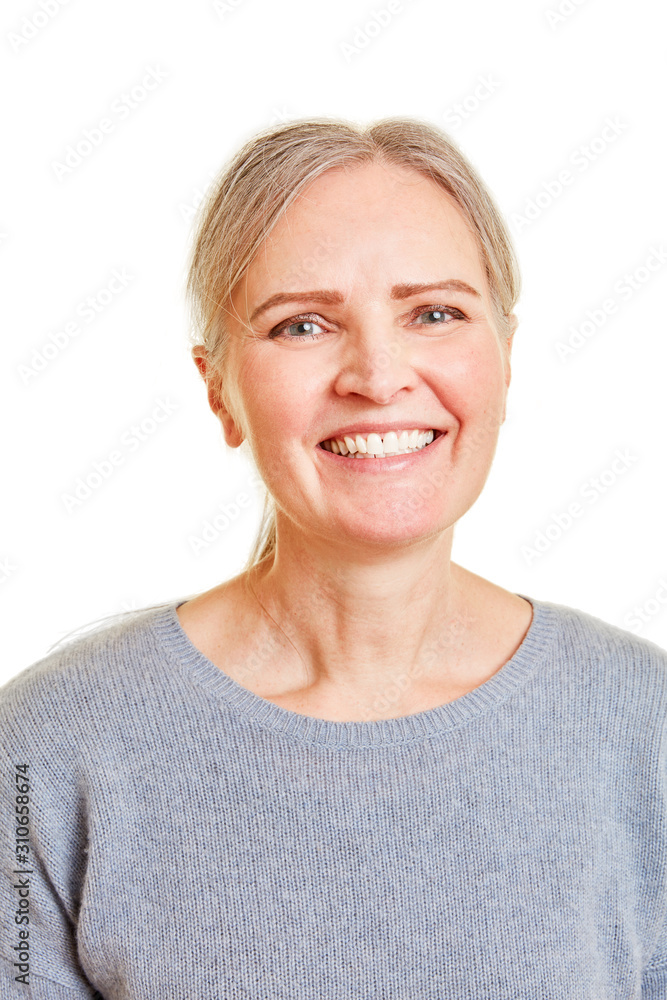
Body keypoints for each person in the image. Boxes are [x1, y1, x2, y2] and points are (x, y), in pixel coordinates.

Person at [2, 115, 667, 999]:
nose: (378, 374)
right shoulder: (47, 752)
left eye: (435, 313)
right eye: (303, 326)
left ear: (503, 360)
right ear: (219, 390)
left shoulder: (641, 727)